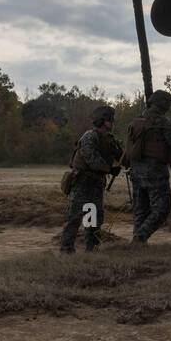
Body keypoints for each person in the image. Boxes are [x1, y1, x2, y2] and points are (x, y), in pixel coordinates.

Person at [60, 105, 124, 254]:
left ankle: (91, 249)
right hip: (82, 183)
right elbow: (92, 160)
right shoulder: (89, 136)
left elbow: (121, 156)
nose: (113, 123)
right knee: (74, 218)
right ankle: (66, 250)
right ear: (103, 121)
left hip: (96, 186)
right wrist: (110, 169)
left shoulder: (109, 139)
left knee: (93, 220)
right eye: (110, 120)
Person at [124, 89, 171, 243]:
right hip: (155, 173)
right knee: (162, 209)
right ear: (164, 105)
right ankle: (140, 237)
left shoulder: (135, 122)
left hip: (136, 172)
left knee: (141, 210)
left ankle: (136, 244)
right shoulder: (164, 123)